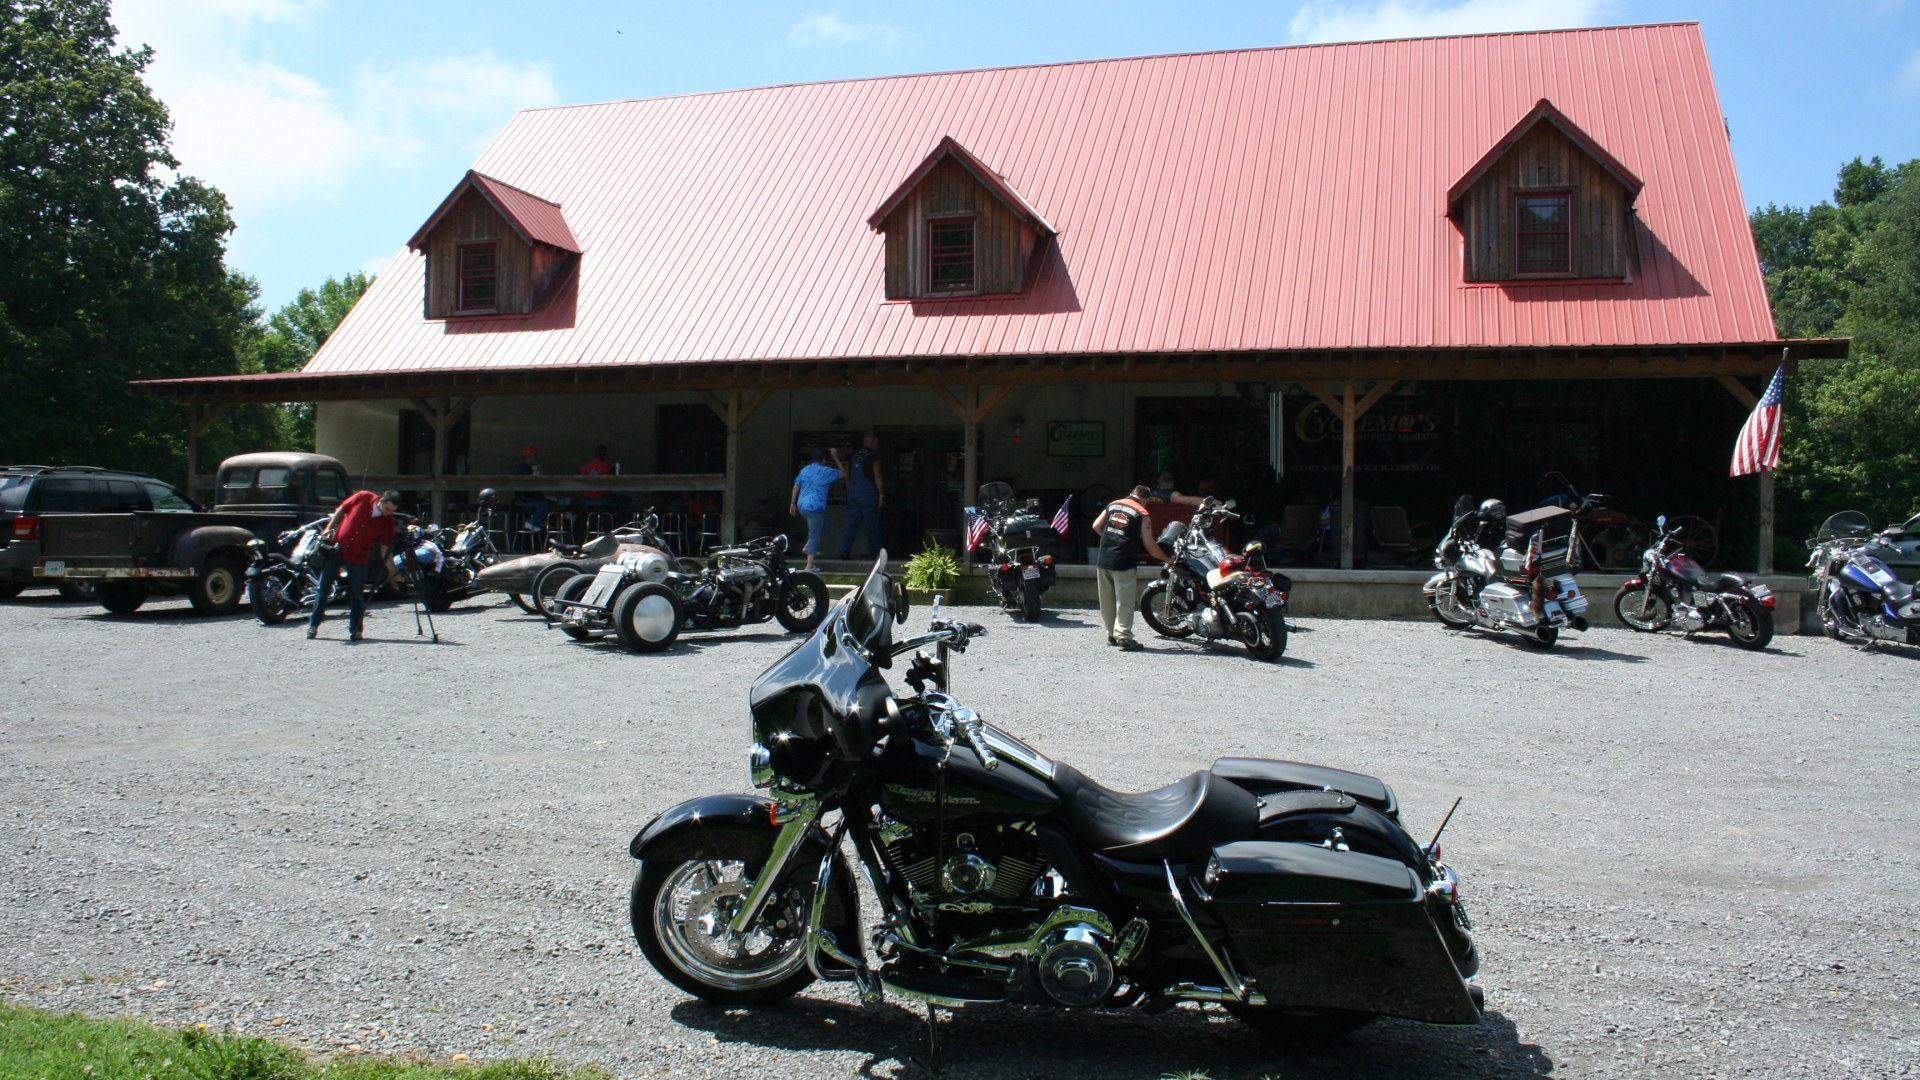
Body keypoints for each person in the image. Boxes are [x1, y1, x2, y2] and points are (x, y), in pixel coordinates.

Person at [307, 488, 401, 642]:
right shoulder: (363, 497)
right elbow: (342, 509)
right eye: (387, 508)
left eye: (392, 511)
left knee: (357, 594)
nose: (388, 513)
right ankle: (313, 625)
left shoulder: (388, 523)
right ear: (381, 501)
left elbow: (385, 550)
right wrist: (329, 529)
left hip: (359, 556)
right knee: (323, 588)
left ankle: (356, 630)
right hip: (337, 549)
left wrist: (393, 573)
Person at [1090, 484, 1172, 650]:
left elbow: (1096, 526)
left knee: (1107, 599)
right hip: (1124, 560)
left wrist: (1110, 539)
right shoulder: (1142, 513)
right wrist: (1167, 559)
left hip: (1104, 557)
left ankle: (1112, 634)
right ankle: (1124, 637)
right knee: (1124, 600)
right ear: (1145, 499)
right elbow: (1149, 545)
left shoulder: (1112, 505)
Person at [789, 446, 845, 571]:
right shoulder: (825, 471)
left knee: (821, 528)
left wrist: (792, 503)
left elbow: (795, 486)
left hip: (802, 505)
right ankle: (809, 566)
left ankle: (808, 547)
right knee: (815, 534)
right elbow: (843, 473)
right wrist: (835, 457)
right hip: (815, 506)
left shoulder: (805, 470)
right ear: (824, 459)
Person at [836, 431, 885, 561]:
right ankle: (875, 553)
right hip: (868, 493)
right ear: (872, 442)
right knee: (871, 524)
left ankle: (844, 549)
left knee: (852, 523)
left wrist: (849, 491)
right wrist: (881, 493)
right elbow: (877, 475)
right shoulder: (873, 456)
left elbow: (847, 475)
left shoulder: (853, 455)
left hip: (854, 493)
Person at [579, 444, 631, 525]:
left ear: (595, 454)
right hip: (602, 499)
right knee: (625, 500)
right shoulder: (608, 467)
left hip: (587, 499)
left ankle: (599, 523)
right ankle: (614, 525)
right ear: (605, 454)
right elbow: (616, 480)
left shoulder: (585, 467)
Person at [513, 445, 552, 532]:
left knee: (547, 503)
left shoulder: (528, 467)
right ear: (529, 456)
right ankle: (531, 522)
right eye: (534, 455)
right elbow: (530, 484)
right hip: (523, 499)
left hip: (527, 498)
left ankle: (537, 521)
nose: (535, 457)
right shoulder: (524, 468)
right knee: (544, 505)